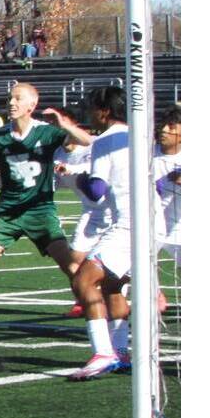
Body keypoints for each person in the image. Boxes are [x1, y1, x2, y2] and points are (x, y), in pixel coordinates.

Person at [0, 83, 92, 358]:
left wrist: (64, 124)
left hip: (40, 210)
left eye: (18, 99)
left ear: (31, 105)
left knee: (73, 268)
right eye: (10, 98)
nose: (11, 103)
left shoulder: (46, 132)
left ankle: (102, 316)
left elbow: (85, 141)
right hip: (8, 212)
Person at [68, 86, 132, 380]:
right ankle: (120, 352)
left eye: (92, 108)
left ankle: (103, 350)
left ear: (104, 112)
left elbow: (96, 191)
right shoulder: (137, 134)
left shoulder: (105, 141)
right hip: (147, 224)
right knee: (112, 285)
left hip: (126, 226)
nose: (89, 114)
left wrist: (77, 178)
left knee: (84, 280)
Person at [52, 111, 102, 319]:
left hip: (114, 210)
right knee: (74, 258)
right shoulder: (57, 153)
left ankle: (154, 294)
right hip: (91, 210)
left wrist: (72, 169)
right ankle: (85, 298)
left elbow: (95, 167)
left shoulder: (94, 145)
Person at [153, 105, 181, 311]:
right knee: (134, 263)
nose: (165, 130)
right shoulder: (145, 155)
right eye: (163, 125)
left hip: (180, 226)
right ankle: (155, 295)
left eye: (172, 126)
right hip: (151, 224)